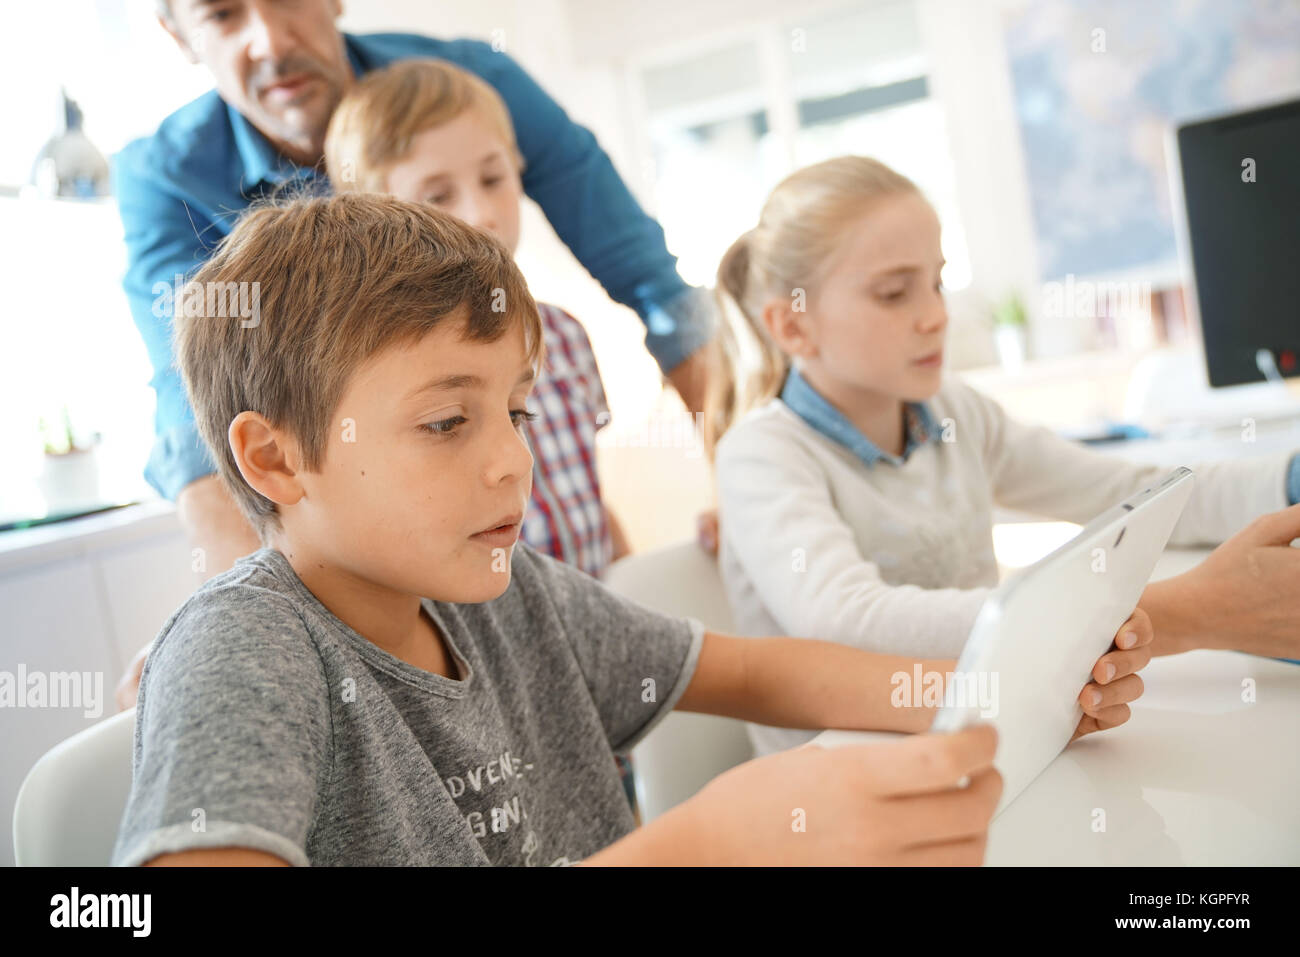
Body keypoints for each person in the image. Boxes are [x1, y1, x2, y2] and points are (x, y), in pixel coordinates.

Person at [111, 194, 1151, 865]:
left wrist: (1002, 684)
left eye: (515, 411)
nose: (510, 458)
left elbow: (757, 674)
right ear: (276, 458)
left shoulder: (510, 594)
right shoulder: (242, 651)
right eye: (445, 421)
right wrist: (696, 850)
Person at [705, 155, 1300, 757]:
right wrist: (1180, 612)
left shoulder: (953, 411)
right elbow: (848, 623)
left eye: (937, 283)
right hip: (839, 784)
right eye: (893, 293)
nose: (937, 316)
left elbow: (1123, 489)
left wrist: (1289, 481)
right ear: (793, 326)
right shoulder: (762, 455)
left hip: (987, 743)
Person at [117, 0, 715, 581]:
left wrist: (750, 498)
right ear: (178, 35)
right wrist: (243, 622)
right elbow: (191, 402)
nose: (270, 40)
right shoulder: (165, 175)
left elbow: (659, 291)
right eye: (221, 13)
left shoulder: (476, 83)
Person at [323, 56, 639, 808]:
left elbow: (585, 497)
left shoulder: (567, 335)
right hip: (485, 696)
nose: (483, 210)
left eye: (495, 179)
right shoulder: (375, 385)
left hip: (588, 668)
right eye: (438, 193)